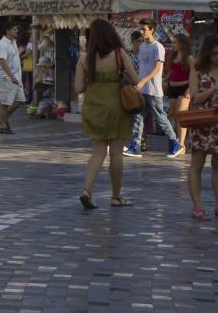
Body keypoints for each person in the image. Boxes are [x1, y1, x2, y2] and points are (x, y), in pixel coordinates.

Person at [74, 18, 136, 209]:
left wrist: (93, 81)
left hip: (94, 107)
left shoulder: (84, 59)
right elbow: (135, 79)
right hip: (117, 107)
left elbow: (78, 88)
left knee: (98, 151)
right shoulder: (119, 54)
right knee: (117, 152)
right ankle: (116, 197)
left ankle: (86, 190)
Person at [125, 16, 182, 158]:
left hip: (154, 90)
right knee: (138, 117)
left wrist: (142, 81)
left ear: (152, 30)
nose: (142, 32)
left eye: (144, 29)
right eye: (141, 29)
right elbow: (142, 66)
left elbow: (157, 69)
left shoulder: (158, 47)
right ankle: (135, 146)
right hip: (142, 90)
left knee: (161, 119)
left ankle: (175, 143)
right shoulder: (143, 46)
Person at [187, 34, 218, 220]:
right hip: (203, 123)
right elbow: (195, 98)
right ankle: (197, 206)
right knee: (197, 164)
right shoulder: (198, 71)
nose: (217, 57)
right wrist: (213, 90)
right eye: (214, 54)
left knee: (217, 166)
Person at [0, 23, 26, 134]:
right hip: (6, 78)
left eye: (16, 29)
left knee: (20, 100)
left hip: (16, 77)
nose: (16, 31)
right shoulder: (3, 44)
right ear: (7, 31)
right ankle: (3, 125)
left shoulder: (13, 42)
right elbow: (2, 61)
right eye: (14, 29)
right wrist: (11, 77)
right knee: (6, 102)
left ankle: (3, 118)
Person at [165, 33, 193, 152]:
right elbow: (171, 72)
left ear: (182, 43)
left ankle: (182, 145)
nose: (173, 45)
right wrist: (164, 80)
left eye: (175, 42)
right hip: (172, 88)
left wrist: (189, 88)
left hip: (184, 88)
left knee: (181, 115)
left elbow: (193, 74)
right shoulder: (173, 56)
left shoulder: (189, 58)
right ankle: (176, 140)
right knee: (172, 115)